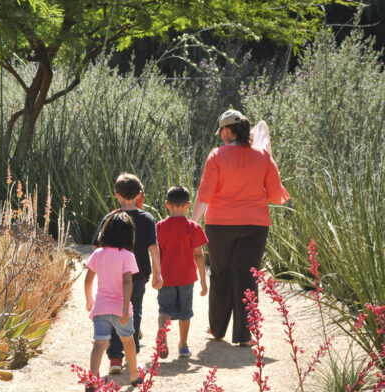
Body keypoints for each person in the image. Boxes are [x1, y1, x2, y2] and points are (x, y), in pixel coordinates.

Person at [191, 109, 290, 345]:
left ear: (227, 130)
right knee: (248, 277)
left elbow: (205, 195)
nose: (220, 135)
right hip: (254, 226)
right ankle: (245, 336)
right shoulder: (263, 156)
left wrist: (192, 224)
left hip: (219, 224)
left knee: (220, 274)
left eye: (221, 131)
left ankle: (216, 329)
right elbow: (277, 197)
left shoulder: (216, 155)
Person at [92, 174, 162, 372]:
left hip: (112, 277)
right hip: (137, 276)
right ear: (139, 194)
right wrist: (158, 273)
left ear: (117, 195)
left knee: (113, 311)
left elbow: (98, 246)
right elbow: (153, 247)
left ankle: (115, 358)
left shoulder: (110, 218)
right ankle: (132, 355)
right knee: (134, 312)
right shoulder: (147, 219)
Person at [84, 211, 142, 392]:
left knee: (99, 344)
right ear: (128, 235)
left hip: (100, 307)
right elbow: (127, 282)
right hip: (120, 308)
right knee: (128, 342)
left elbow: (88, 280)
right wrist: (125, 307)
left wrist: (89, 300)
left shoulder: (98, 254)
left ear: (105, 232)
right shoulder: (127, 256)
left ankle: (93, 379)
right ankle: (134, 375)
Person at [156, 186, 208, 358]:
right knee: (185, 313)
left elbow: (156, 253)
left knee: (165, 310)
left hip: (166, 278)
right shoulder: (193, 227)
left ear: (167, 205)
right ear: (188, 205)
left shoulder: (160, 227)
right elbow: (199, 255)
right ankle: (183, 345)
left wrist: (156, 274)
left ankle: (162, 334)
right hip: (187, 278)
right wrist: (203, 280)